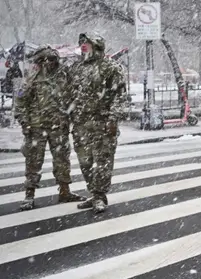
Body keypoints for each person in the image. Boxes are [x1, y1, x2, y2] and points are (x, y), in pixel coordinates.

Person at [13, 46, 84, 210]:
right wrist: (25, 123)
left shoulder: (64, 76)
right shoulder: (32, 79)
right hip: (36, 127)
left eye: (54, 59)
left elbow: (74, 97)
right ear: (42, 61)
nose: (52, 63)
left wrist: (72, 115)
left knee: (62, 159)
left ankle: (64, 191)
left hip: (59, 126)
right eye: (48, 59)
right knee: (33, 161)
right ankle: (29, 195)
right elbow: (21, 103)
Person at [69, 33, 130, 214]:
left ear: (96, 46)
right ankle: (93, 192)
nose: (83, 46)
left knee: (102, 161)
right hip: (81, 124)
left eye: (86, 43)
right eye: (81, 43)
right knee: (85, 161)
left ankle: (99, 195)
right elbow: (69, 95)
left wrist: (113, 118)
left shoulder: (110, 67)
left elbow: (120, 96)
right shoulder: (77, 68)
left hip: (102, 123)